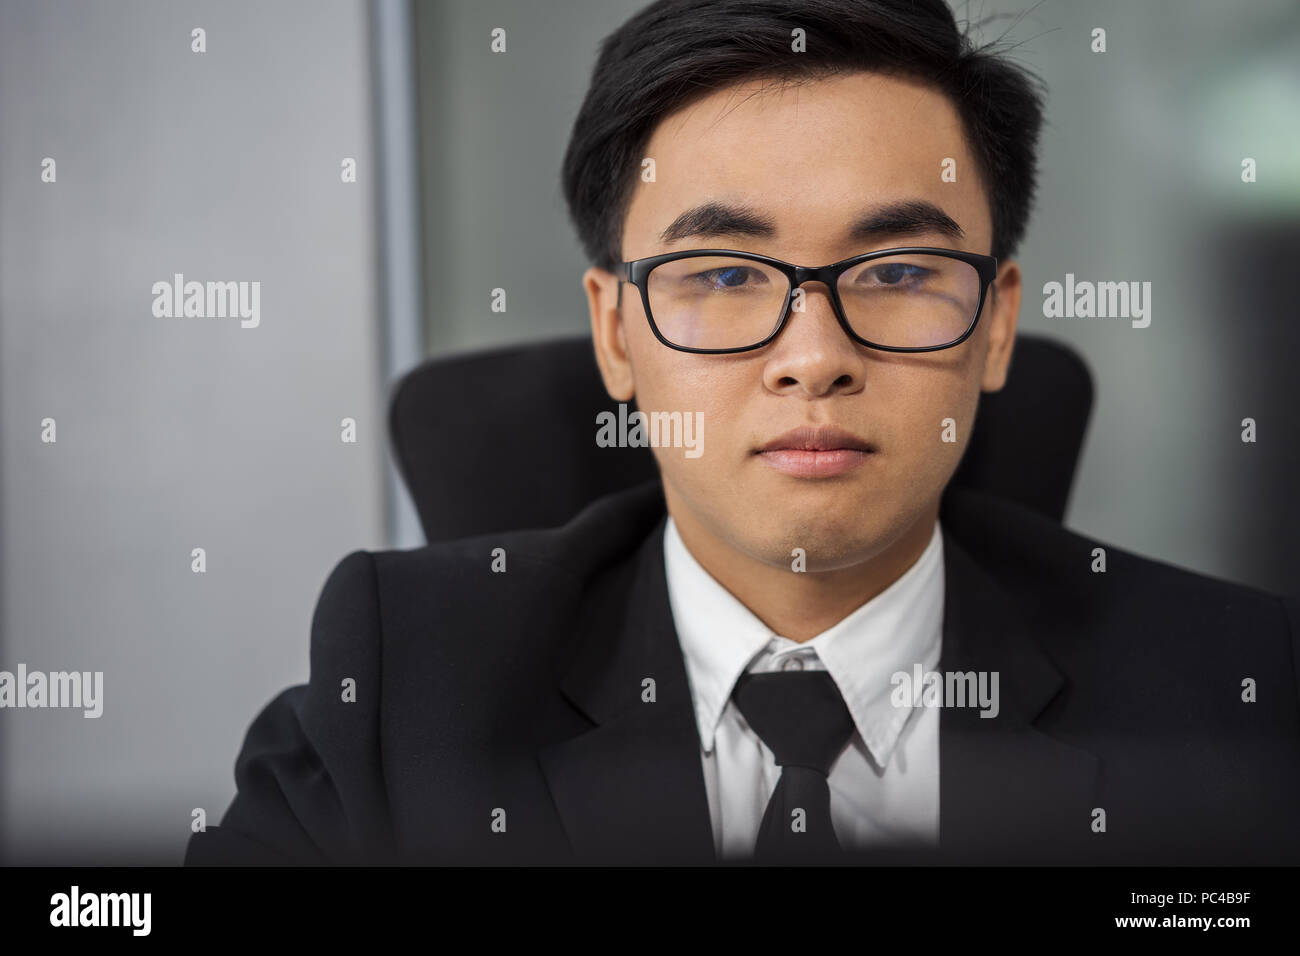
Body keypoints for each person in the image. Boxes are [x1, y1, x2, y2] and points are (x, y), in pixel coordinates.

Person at [185, 0, 1300, 866]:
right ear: (616, 334)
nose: (813, 353)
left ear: (994, 325)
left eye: (900, 270)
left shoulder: (1240, 699)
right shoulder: (400, 695)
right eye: (722, 272)